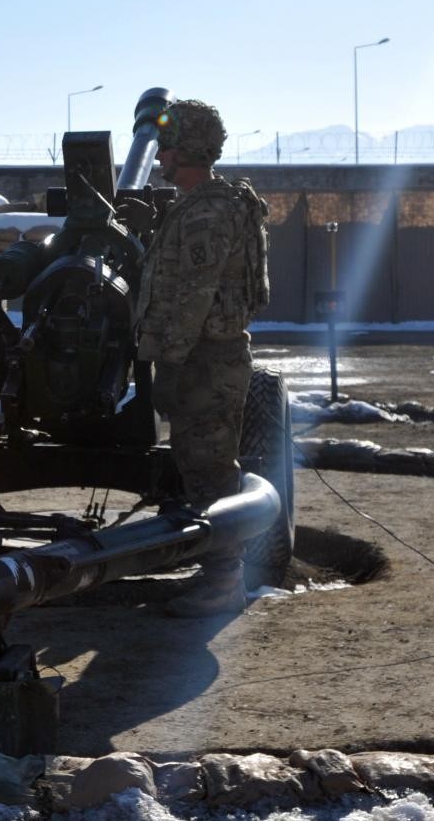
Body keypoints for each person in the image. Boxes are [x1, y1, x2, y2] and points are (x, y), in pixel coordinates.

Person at [133, 98, 271, 618]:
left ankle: (221, 583)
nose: (161, 156)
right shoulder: (201, 204)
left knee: (209, 467)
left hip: (204, 360)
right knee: (198, 463)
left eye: (168, 147)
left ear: (187, 148)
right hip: (202, 355)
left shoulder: (207, 212)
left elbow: (193, 295)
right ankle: (217, 576)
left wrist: (167, 363)